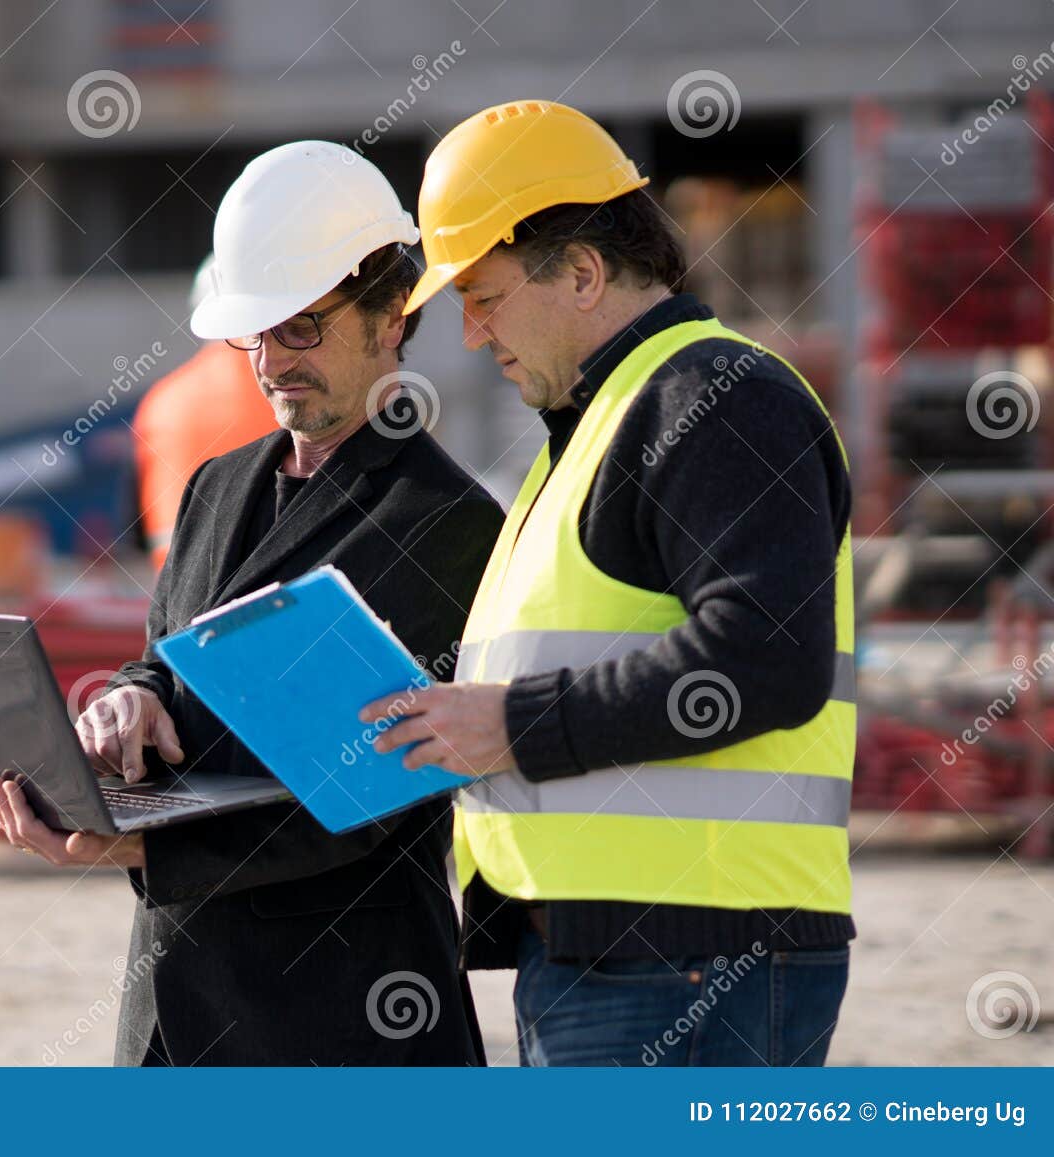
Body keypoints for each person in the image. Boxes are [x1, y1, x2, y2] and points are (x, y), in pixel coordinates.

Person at [0, 140, 503, 1065]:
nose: (269, 362)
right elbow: (170, 652)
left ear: (391, 313)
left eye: (300, 327)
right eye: (253, 333)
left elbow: (370, 794)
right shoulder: (216, 486)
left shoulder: (446, 520)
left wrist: (140, 854)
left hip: (343, 1018)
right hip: (174, 1010)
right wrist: (134, 693)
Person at [364, 100, 855, 1067]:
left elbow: (767, 656)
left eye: (485, 296)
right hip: (619, 952)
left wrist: (511, 724)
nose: (469, 335)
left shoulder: (715, 400)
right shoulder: (600, 427)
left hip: (694, 954)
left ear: (584, 272)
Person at [132, 257, 278, 571]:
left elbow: (138, 525)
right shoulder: (285, 383)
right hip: (270, 585)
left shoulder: (162, 400)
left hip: (177, 589)